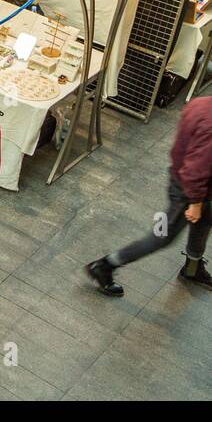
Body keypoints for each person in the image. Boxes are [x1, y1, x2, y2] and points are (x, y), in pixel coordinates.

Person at [87, 97, 212, 294]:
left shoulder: (201, 103)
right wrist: (195, 201)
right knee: (162, 236)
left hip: (188, 183)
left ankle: (193, 267)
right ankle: (105, 265)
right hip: (188, 192)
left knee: (206, 218)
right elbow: (195, 170)